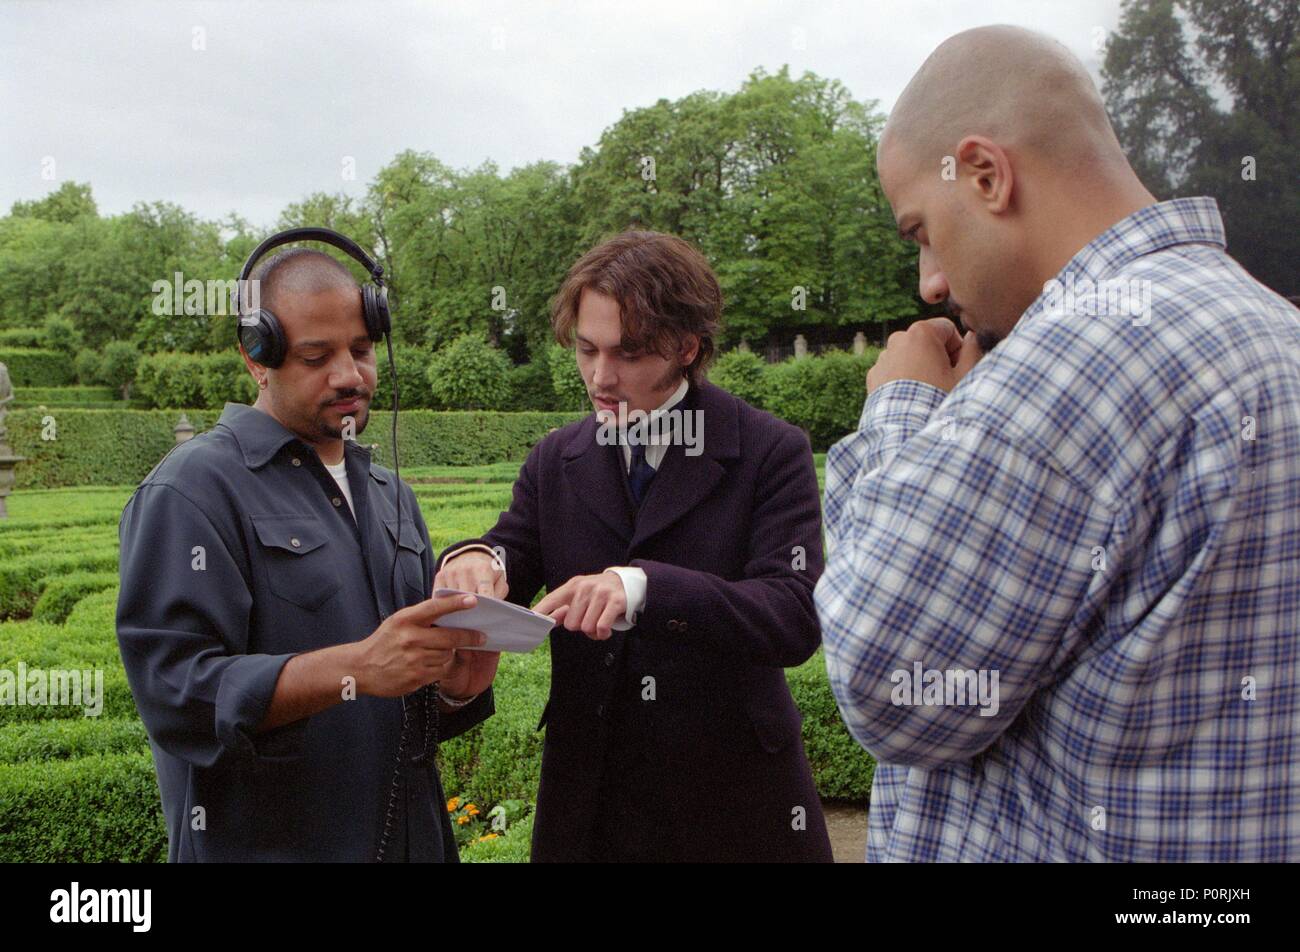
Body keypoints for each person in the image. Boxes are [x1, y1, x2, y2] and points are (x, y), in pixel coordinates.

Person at [815, 24, 1300, 862]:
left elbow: (886, 687)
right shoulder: (1274, 326)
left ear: (985, 174)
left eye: (921, 230)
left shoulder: (1075, 355)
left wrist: (900, 410)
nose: (929, 280)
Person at [436, 231, 833, 862]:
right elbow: (512, 549)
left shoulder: (769, 450)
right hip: (589, 802)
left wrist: (642, 588)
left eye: (626, 354)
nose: (600, 377)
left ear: (686, 347)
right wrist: (476, 559)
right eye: (586, 349)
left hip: (734, 803)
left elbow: (793, 616)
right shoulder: (554, 457)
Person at [116, 235, 499, 861]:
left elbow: (399, 703)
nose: (349, 375)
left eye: (362, 349)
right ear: (256, 357)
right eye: (317, 356)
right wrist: (354, 669)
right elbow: (176, 695)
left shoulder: (390, 492)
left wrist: (457, 682)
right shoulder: (190, 491)